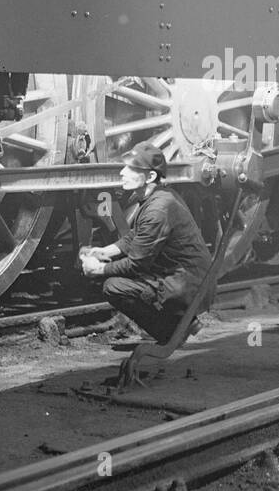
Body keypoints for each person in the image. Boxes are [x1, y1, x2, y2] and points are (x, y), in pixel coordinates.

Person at [81, 141, 213, 343]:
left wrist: (98, 269)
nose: (123, 172)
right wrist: (104, 252)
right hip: (184, 278)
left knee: (113, 287)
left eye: (132, 168)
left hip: (187, 285)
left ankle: (171, 333)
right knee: (127, 279)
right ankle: (183, 321)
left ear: (150, 176)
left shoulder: (158, 208)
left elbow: (136, 264)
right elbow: (136, 235)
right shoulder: (159, 196)